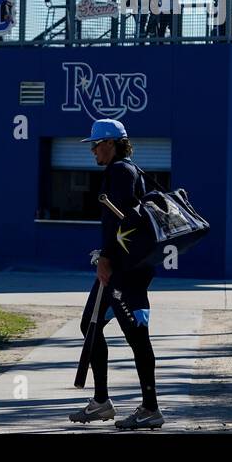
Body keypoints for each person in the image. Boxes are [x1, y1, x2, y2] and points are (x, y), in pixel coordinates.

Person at [69, 118, 164, 429]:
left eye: (95, 145)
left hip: (125, 272)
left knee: (137, 337)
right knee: (91, 326)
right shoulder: (129, 171)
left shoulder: (120, 171)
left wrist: (106, 258)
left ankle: (150, 408)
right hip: (125, 268)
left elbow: (118, 220)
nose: (93, 151)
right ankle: (101, 402)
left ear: (109, 143)